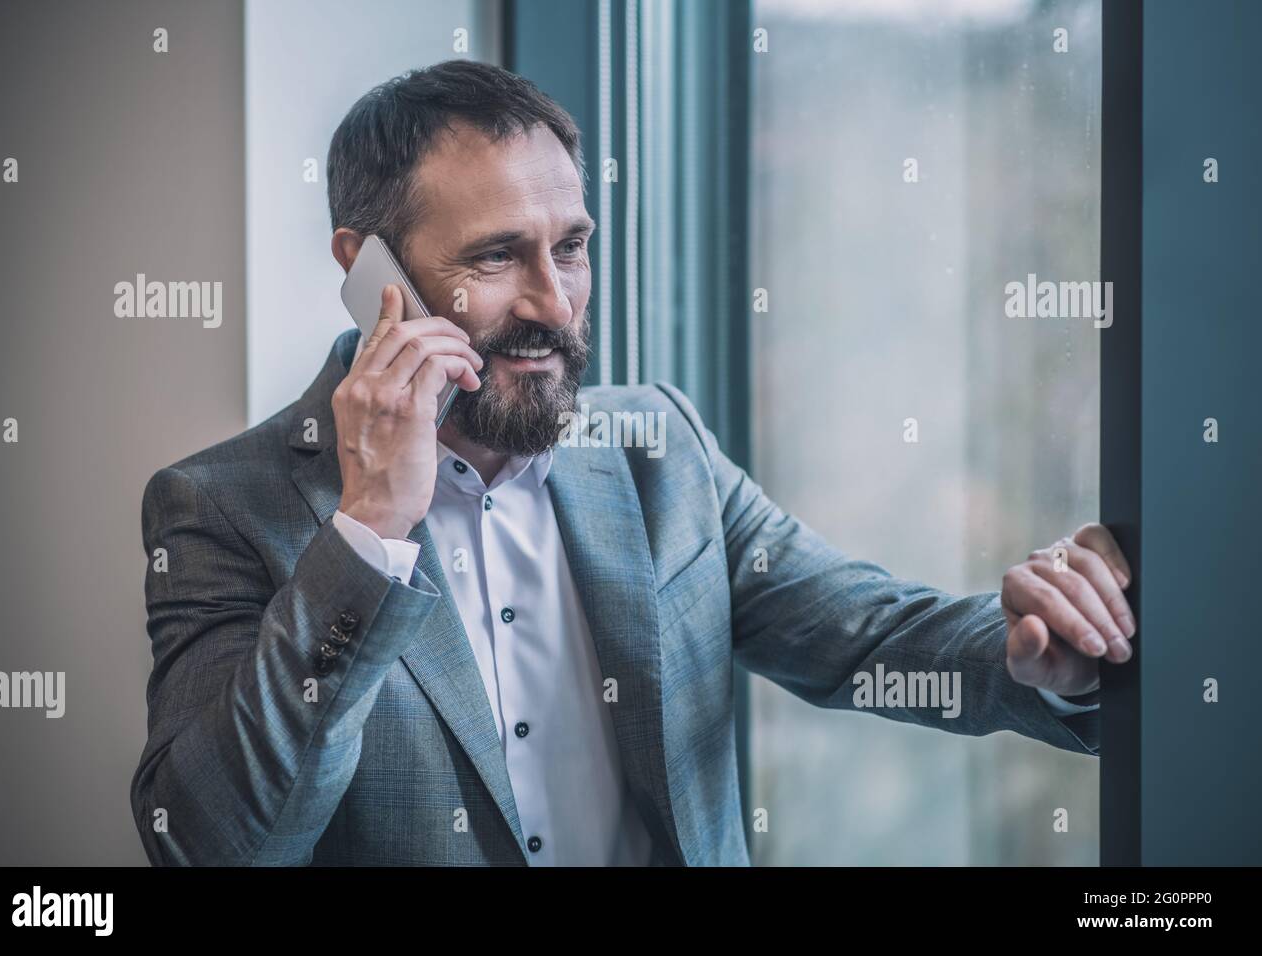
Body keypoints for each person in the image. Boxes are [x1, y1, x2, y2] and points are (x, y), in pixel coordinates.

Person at [129, 59, 1134, 866]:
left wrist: (1030, 648)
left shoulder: (657, 449)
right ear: (366, 272)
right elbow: (217, 841)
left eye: (569, 246)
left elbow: (869, 640)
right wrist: (368, 533)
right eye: (493, 257)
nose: (554, 302)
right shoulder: (221, 507)